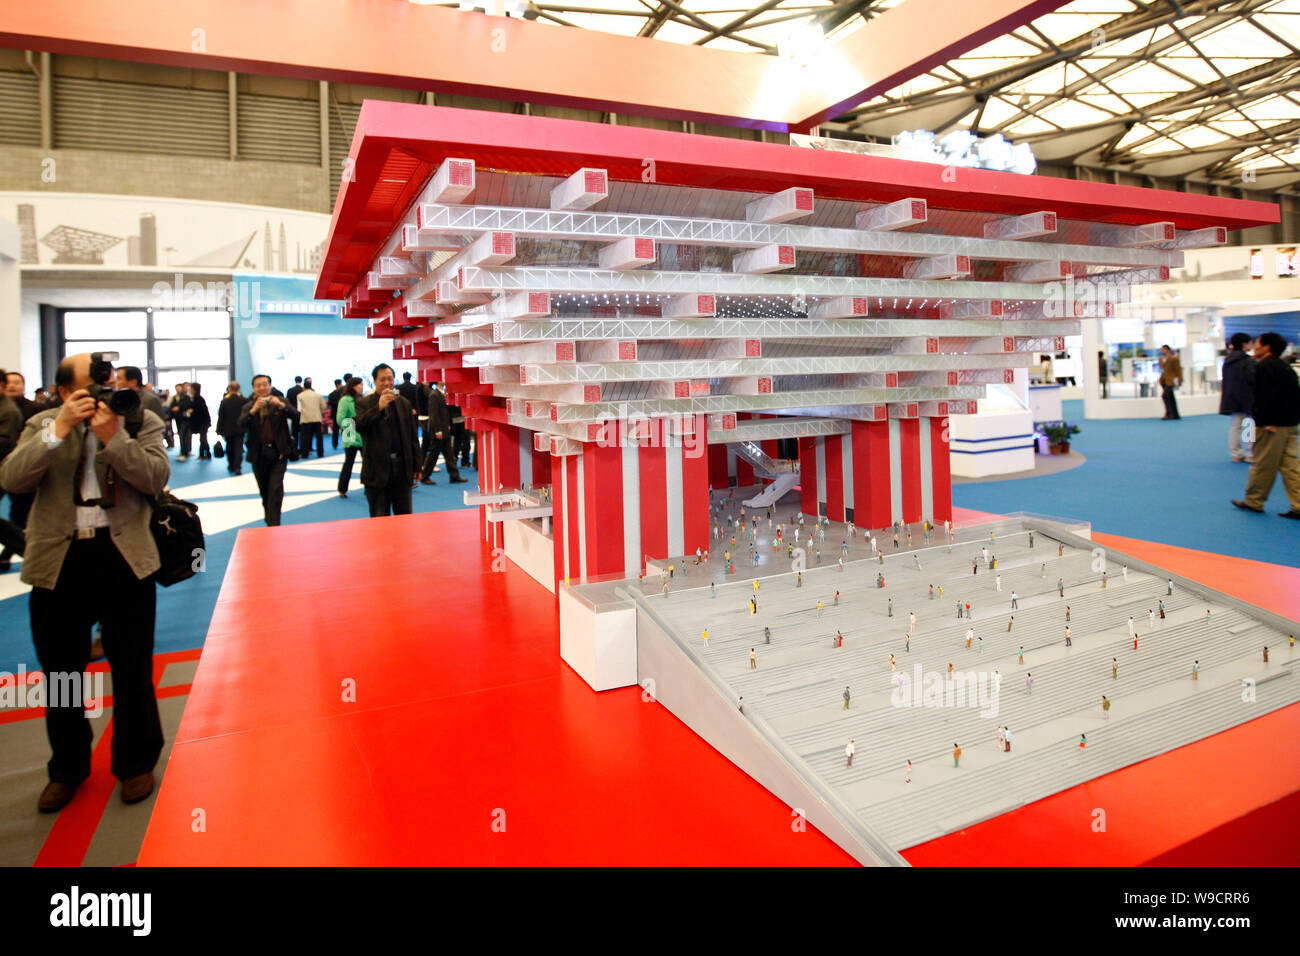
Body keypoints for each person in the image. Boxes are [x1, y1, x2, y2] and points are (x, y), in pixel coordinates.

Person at [0, 352, 169, 812]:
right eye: (88, 389)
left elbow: (155, 478)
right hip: (60, 559)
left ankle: (135, 764)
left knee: (132, 666)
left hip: (124, 557)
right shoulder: (43, 425)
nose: (101, 395)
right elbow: (13, 479)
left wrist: (114, 438)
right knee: (61, 672)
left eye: (105, 384)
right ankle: (68, 767)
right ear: (61, 393)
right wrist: (57, 432)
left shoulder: (136, 418)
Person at [1232, 332, 1300, 518]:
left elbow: (1265, 396)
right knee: (1291, 466)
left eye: (1259, 343)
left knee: (1262, 463)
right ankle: (1298, 504)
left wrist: (1267, 420)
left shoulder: (1264, 367)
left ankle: (1254, 501)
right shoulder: (1285, 367)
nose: (1255, 346)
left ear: (1267, 347)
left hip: (1272, 425)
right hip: (1290, 424)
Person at [356, 365, 422, 517]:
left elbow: (413, 438)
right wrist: (379, 407)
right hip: (376, 472)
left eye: (390, 379)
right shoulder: (364, 403)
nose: (387, 383)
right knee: (379, 521)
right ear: (374, 381)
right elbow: (359, 426)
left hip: (402, 469)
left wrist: (417, 465)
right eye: (382, 379)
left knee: (405, 519)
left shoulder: (404, 403)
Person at [238, 375, 299, 526]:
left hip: (279, 453)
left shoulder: (280, 401)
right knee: (265, 492)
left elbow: (297, 416)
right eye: (258, 385)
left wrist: (281, 405)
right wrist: (253, 411)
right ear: (254, 388)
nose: (262, 388)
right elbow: (240, 424)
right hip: (258, 455)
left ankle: (274, 524)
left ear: (270, 386)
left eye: (265, 384)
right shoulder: (248, 406)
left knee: (276, 490)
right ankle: (270, 519)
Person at [420, 381, 466, 484]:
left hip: (444, 429)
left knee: (449, 454)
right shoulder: (434, 395)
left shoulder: (441, 394)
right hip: (439, 431)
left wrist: (447, 425)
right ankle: (425, 476)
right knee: (433, 455)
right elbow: (434, 414)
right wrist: (438, 430)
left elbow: (444, 412)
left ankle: (454, 475)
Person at [1221, 333, 1256, 462]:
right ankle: (1251, 453)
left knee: (1235, 426)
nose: (1252, 345)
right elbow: (1252, 379)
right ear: (1244, 344)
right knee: (1249, 426)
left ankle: (1235, 453)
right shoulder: (1248, 361)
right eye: (1250, 342)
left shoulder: (1228, 360)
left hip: (1232, 397)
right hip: (1247, 397)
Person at [335, 377, 365, 497]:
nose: (361, 387)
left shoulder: (362, 399)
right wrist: (353, 422)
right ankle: (342, 488)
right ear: (353, 386)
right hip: (350, 433)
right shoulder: (345, 400)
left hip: (363, 434)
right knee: (349, 463)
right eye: (359, 385)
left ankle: (369, 487)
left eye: (362, 385)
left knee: (368, 463)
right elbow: (340, 419)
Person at [216, 382, 246, 475]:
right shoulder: (244, 400)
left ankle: (231, 465)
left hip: (227, 428)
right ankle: (237, 467)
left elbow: (221, 416)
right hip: (240, 428)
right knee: (238, 448)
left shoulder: (224, 401)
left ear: (229, 389)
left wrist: (219, 428)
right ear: (239, 389)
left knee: (229, 447)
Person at [296, 378, 327, 459]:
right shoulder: (318, 395)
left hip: (305, 419)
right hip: (317, 418)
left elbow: (299, 409)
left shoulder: (300, 396)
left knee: (305, 438)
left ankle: (304, 454)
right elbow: (324, 406)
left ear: (304, 387)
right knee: (319, 437)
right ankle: (320, 453)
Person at [1158, 343, 1182, 420]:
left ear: (1167, 350)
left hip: (1171, 380)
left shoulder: (1174, 358)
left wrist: (1180, 379)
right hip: (1164, 380)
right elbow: (1162, 369)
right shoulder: (1161, 359)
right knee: (1170, 397)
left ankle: (1169, 413)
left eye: (1163, 349)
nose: (1162, 351)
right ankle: (1174, 414)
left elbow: (1178, 370)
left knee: (1165, 396)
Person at [169, 382, 193, 460]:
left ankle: (185, 453)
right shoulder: (175, 397)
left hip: (185, 419)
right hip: (177, 419)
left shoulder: (186, 397)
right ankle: (183, 451)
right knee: (181, 435)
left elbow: (186, 406)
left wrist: (178, 407)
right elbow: (171, 407)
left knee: (184, 436)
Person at [188, 382, 212, 459]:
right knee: (203, 438)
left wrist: (193, 410)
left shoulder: (198, 399)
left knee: (203, 439)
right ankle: (204, 454)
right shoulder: (196, 398)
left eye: (191, 388)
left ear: (194, 390)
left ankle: (205, 454)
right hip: (203, 422)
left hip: (203, 423)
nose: (189, 390)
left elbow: (199, 411)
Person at [327, 378, 347, 449]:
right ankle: (347, 444)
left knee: (335, 430)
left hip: (335, 413)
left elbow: (330, 403)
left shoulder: (331, 394)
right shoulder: (344, 393)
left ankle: (334, 444)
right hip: (344, 413)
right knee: (345, 428)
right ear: (340, 384)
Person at [285, 375, 304, 447]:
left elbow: (287, 402)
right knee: (303, 432)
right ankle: (304, 448)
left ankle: (295, 448)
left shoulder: (290, 390)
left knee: (295, 432)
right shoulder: (303, 390)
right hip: (302, 413)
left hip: (293, 413)